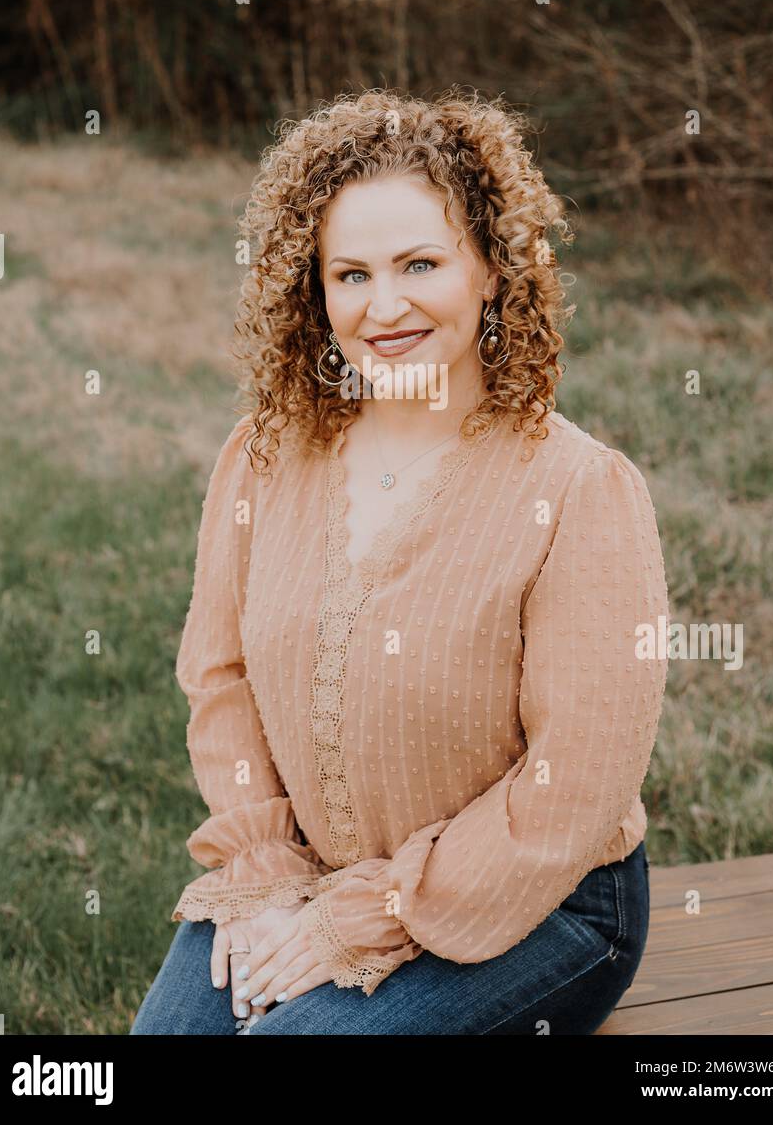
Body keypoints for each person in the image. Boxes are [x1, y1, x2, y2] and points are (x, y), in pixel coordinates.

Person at [131, 88, 668, 1035]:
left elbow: (574, 787)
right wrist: (264, 878)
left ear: (492, 271)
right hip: (303, 869)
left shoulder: (582, 491)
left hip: (544, 904)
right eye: (351, 274)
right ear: (316, 290)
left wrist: (364, 918)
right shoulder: (266, 454)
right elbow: (220, 681)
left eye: (422, 263)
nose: (385, 307)